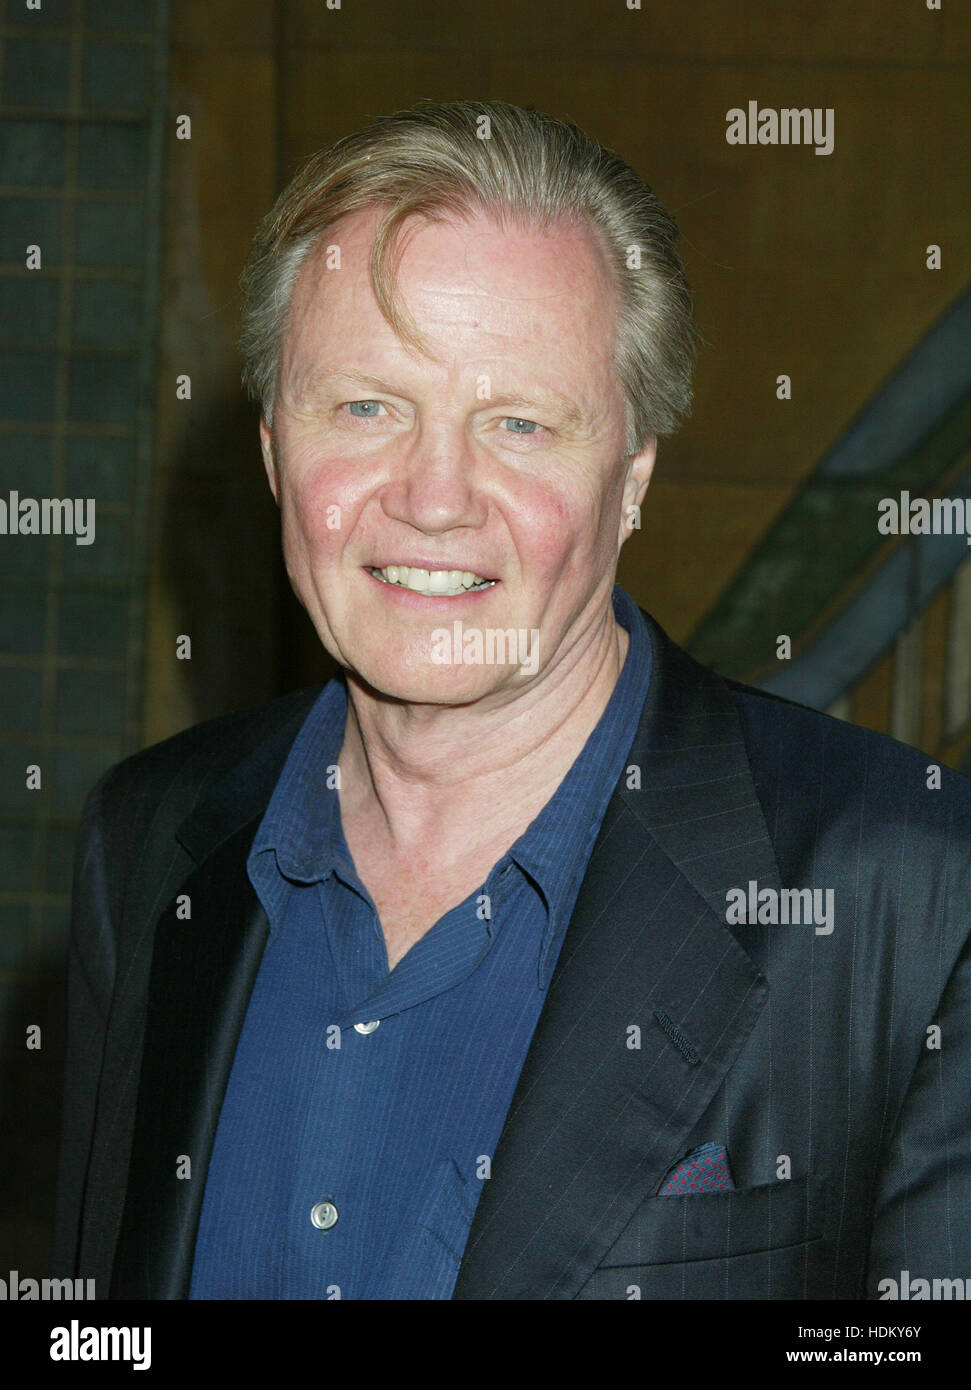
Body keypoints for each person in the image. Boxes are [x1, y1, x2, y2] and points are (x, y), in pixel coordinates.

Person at [52, 99, 971, 1301]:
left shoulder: (912, 891)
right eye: (367, 406)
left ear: (630, 479)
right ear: (277, 449)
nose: (434, 498)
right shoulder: (151, 840)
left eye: (519, 423)